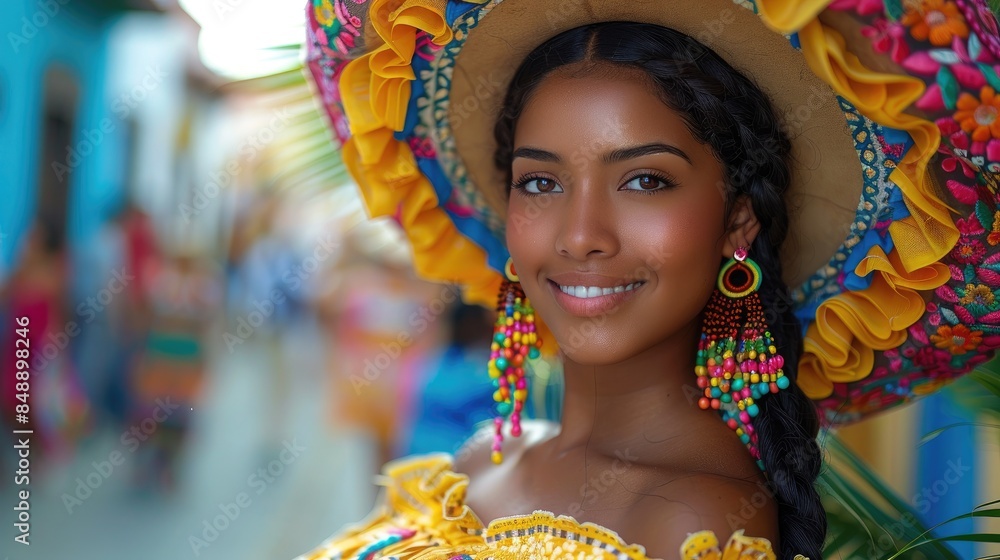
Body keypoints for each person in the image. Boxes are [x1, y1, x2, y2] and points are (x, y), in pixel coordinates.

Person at [297, 1, 1000, 558]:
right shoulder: (482, 457)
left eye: (643, 180)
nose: (580, 235)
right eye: (540, 181)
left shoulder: (702, 523)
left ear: (738, 222)